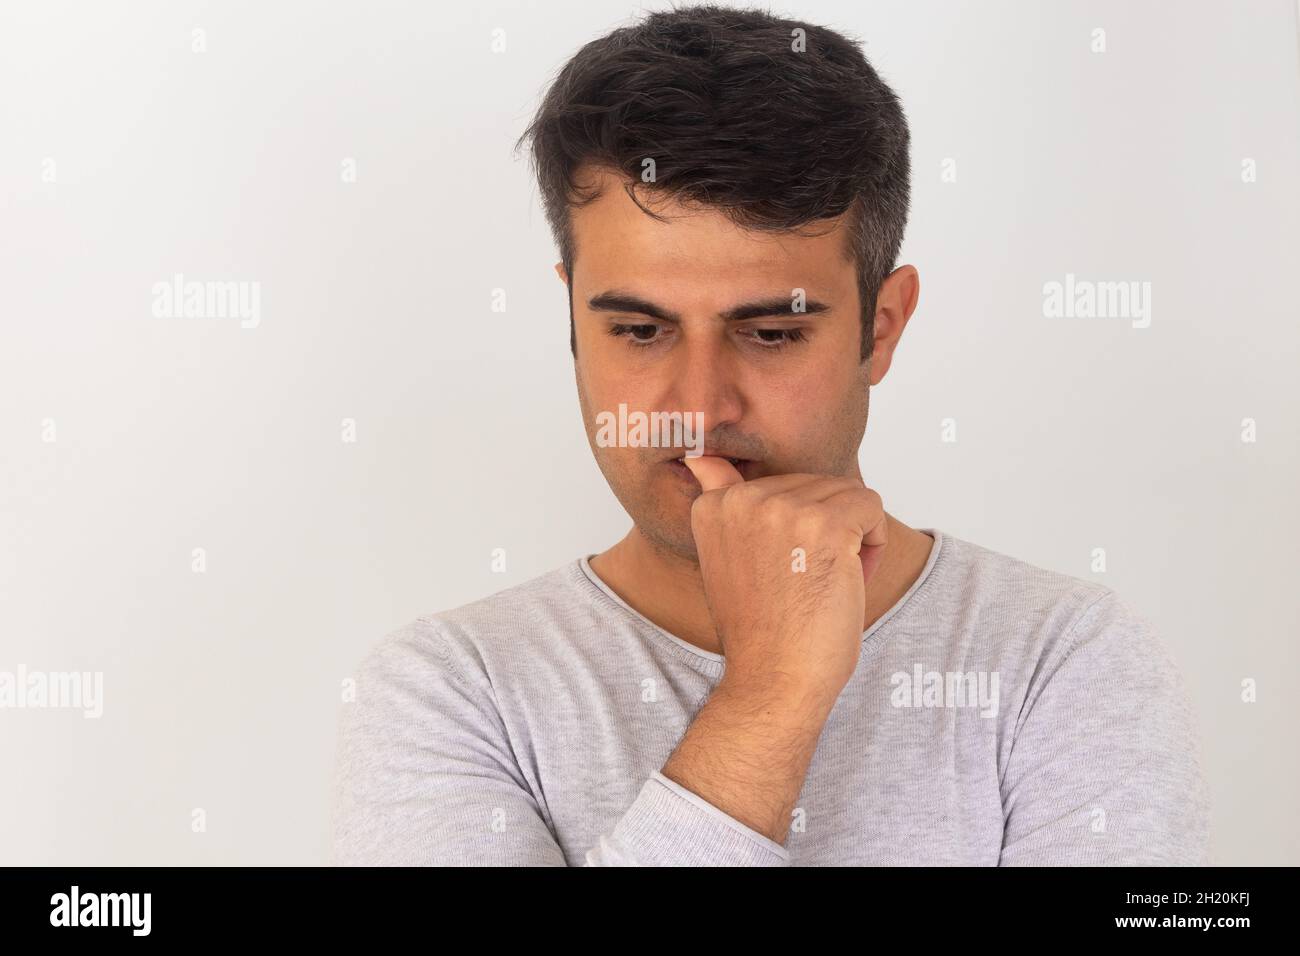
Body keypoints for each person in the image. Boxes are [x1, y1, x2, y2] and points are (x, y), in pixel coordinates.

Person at [330, 5, 1211, 866]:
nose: (701, 407)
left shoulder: (1067, 664)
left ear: (882, 328)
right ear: (571, 317)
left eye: (772, 332)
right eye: (639, 330)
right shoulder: (448, 691)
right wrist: (772, 695)